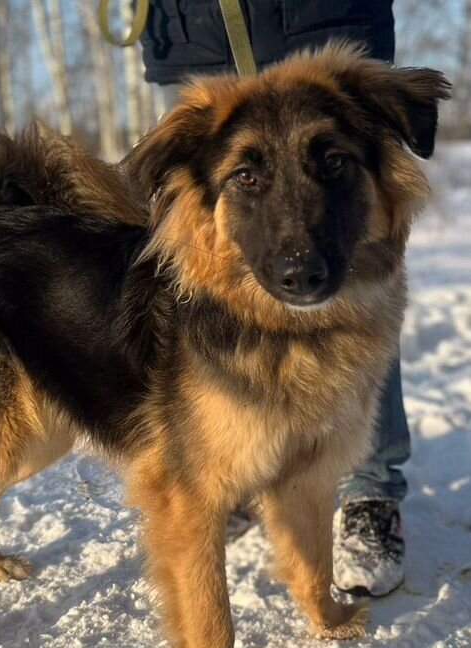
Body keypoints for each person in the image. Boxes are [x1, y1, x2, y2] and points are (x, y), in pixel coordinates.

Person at [139, 0, 408, 598]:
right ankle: (228, 466)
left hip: (324, 16)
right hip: (192, 28)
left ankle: (368, 488)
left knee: (360, 303)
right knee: (212, 282)